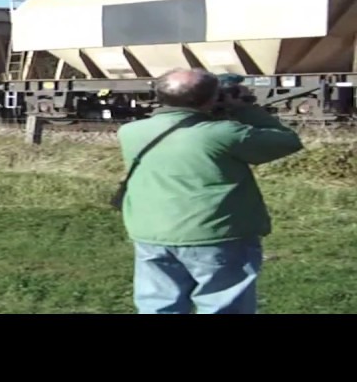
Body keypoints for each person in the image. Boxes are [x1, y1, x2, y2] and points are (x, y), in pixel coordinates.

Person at [115, 68, 304, 314]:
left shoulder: (130, 132)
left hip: (151, 232)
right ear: (211, 98)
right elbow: (287, 141)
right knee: (222, 304)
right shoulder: (224, 133)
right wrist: (243, 107)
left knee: (159, 305)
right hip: (215, 233)